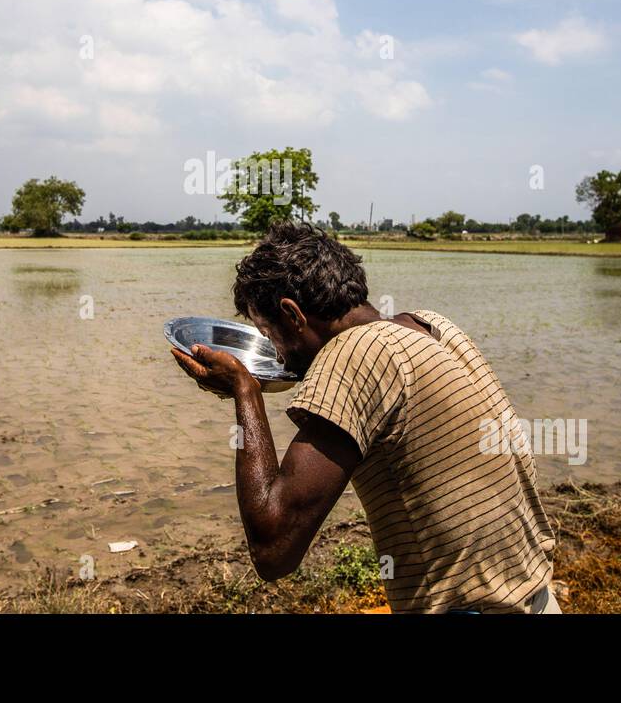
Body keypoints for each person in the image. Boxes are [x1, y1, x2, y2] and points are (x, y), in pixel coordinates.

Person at [171, 221, 559, 613]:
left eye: (269, 335)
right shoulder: (431, 327)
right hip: (536, 599)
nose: (277, 355)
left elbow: (273, 550)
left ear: (293, 314)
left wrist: (245, 390)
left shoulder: (356, 354)